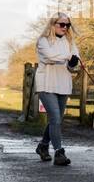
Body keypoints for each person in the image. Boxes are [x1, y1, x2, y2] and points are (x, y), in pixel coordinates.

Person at [34, 12, 80, 166]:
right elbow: (49, 56)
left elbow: (75, 62)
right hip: (46, 83)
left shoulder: (70, 42)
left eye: (67, 25)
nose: (65, 28)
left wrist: (73, 63)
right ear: (53, 24)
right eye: (61, 24)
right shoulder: (43, 41)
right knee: (54, 117)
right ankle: (59, 153)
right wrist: (68, 57)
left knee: (57, 119)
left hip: (63, 83)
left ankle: (43, 146)